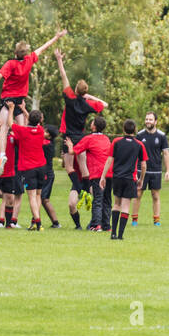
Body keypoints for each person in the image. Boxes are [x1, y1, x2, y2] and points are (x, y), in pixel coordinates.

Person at [0, 30, 67, 141]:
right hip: (20, 99)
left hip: (8, 98)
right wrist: (56, 37)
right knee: (21, 129)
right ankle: (19, 150)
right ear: (25, 53)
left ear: (15, 53)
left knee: (4, 127)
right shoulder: (29, 60)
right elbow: (43, 47)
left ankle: (3, 154)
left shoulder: (11, 63)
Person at [53, 48, 106, 228]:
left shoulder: (69, 98)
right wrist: (88, 96)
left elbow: (63, 75)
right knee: (84, 168)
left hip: (68, 137)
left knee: (68, 166)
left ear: (75, 90)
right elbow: (104, 105)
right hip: (81, 139)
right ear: (86, 92)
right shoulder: (87, 104)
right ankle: (87, 192)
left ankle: (79, 189)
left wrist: (59, 59)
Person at [102, 120, 148, 240]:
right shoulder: (139, 145)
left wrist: (103, 176)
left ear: (123, 129)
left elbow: (109, 160)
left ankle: (113, 233)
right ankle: (120, 235)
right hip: (130, 179)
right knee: (125, 206)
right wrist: (141, 179)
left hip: (117, 177)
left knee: (116, 204)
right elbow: (143, 165)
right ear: (135, 130)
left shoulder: (116, 142)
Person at [10, 109, 50, 231]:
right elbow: (33, 120)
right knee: (38, 195)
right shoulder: (40, 130)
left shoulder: (23, 131)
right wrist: (24, 109)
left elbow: (10, 123)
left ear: (28, 119)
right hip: (42, 166)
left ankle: (38, 223)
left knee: (32, 196)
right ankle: (35, 220)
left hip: (29, 168)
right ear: (40, 120)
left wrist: (12, 109)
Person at [73, 115, 113, 231]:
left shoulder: (89, 139)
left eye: (92, 123)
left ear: (94, 127)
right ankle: (106, 225)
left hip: (97, 173)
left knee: (98, 199)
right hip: (109, 172)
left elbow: (74, 151)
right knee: (107, 199)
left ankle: (96, 225)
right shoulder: (106, 139)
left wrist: (70, 146)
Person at [131, 111, 169, 226]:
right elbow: (134, 153)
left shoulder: (162, 136)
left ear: (156, 121)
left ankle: (156, 220)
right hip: (140, 170)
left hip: (156, 170)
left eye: (150, 119)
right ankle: (134, 220)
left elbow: (166, 153)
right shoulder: (140, 135)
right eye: (146, 119)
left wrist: (167, 171)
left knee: (155, 195)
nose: (148, 121)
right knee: (138, 194)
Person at [39, 122, 62, 228]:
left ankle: (35, 221)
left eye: (44, 130)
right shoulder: (48, 143)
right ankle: (55, 222)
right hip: (46, 173)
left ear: (48, 135)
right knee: (44, 200)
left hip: (46, 174)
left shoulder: (46, 144)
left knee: (40, 198)